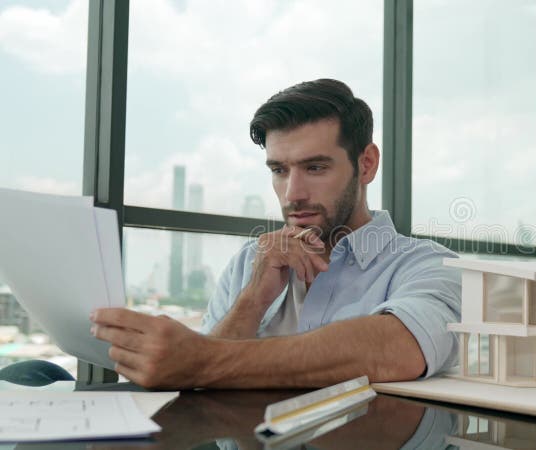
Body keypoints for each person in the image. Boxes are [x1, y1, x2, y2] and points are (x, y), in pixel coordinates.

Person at [88, 79, 462, 389]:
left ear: (366, 165)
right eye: (279, 170)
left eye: (315, 167)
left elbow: (399, 348)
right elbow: (195, 384)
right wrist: (253, 299)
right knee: (36, 374)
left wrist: (203, 357)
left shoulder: (429, 266)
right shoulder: (248, 264)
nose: (292, 193)